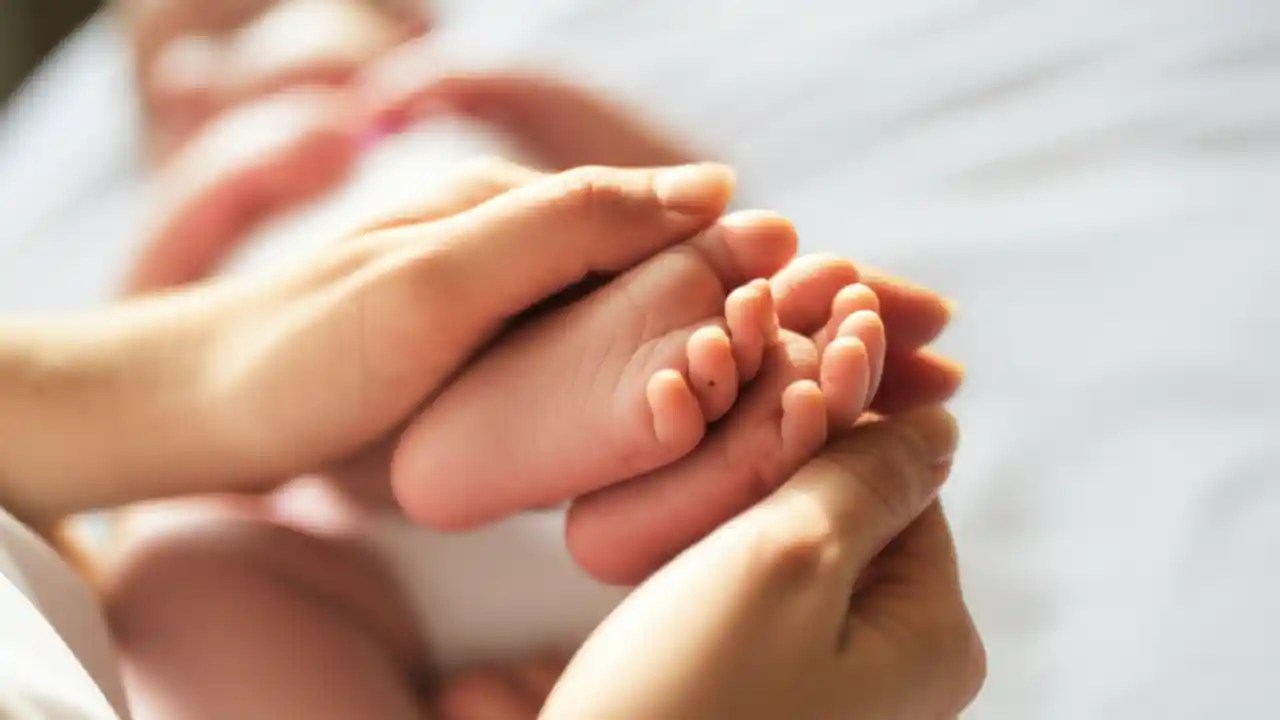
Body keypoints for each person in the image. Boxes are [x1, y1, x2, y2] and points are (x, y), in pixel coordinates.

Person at [0, 159, 983, 718]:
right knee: (188, 561)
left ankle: (477, 423)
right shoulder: (224, 151)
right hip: (293, 407)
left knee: (185, 552)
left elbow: (717, 188)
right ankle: (464, 437)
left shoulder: (417, 100)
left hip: (332, 347)